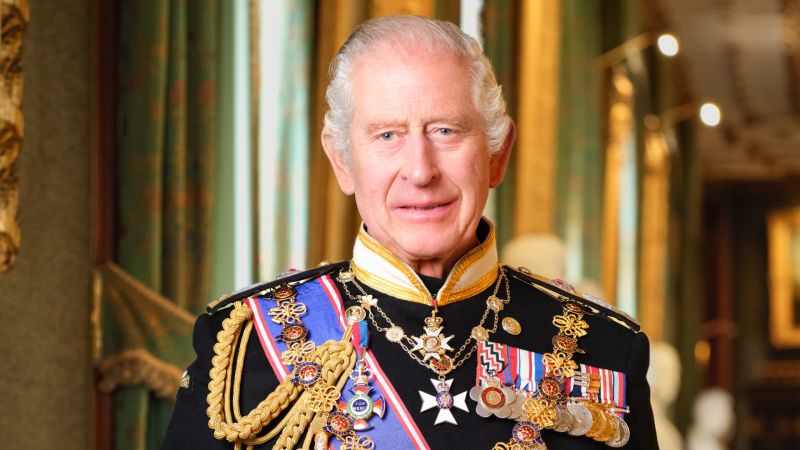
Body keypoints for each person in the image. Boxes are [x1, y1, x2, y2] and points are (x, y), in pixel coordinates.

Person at [163, 15, 658, 450]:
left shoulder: (606, 348)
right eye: (387, 135)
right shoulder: (246, 343)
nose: (420, 171)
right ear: (342, 160)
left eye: (446, 130)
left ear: (497, 154)